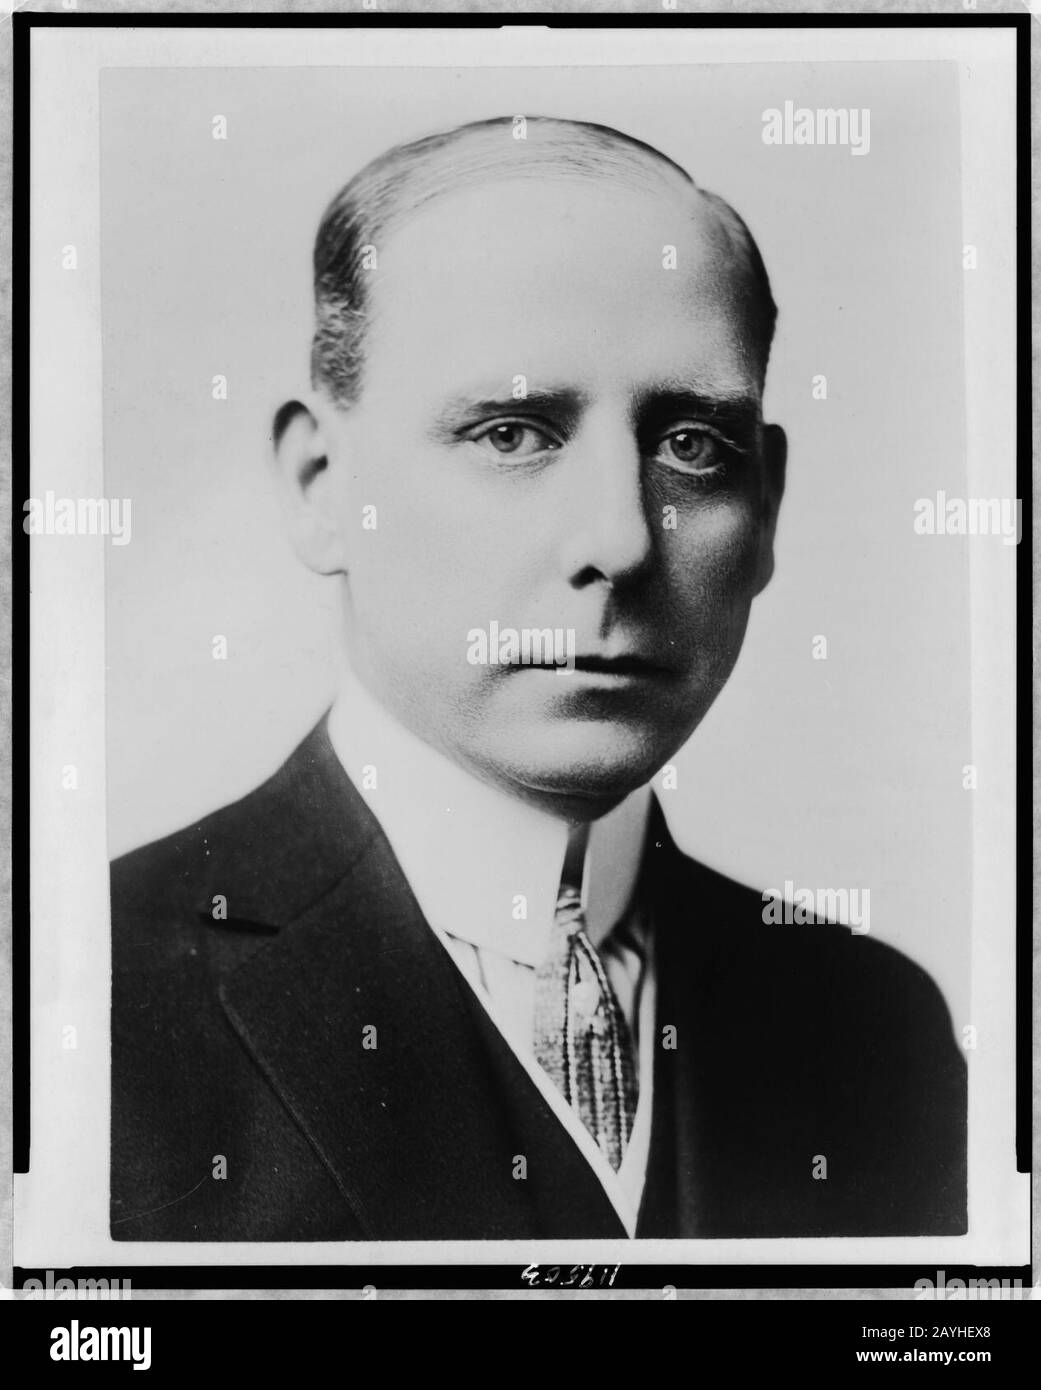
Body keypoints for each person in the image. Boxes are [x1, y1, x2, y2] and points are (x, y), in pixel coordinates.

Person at [110, 116, 966, 1241]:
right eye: (512, 432)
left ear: (767, 510)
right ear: (323, 484)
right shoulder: (98, 998)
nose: (618, 537)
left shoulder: (874, 1027)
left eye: (694, 446)